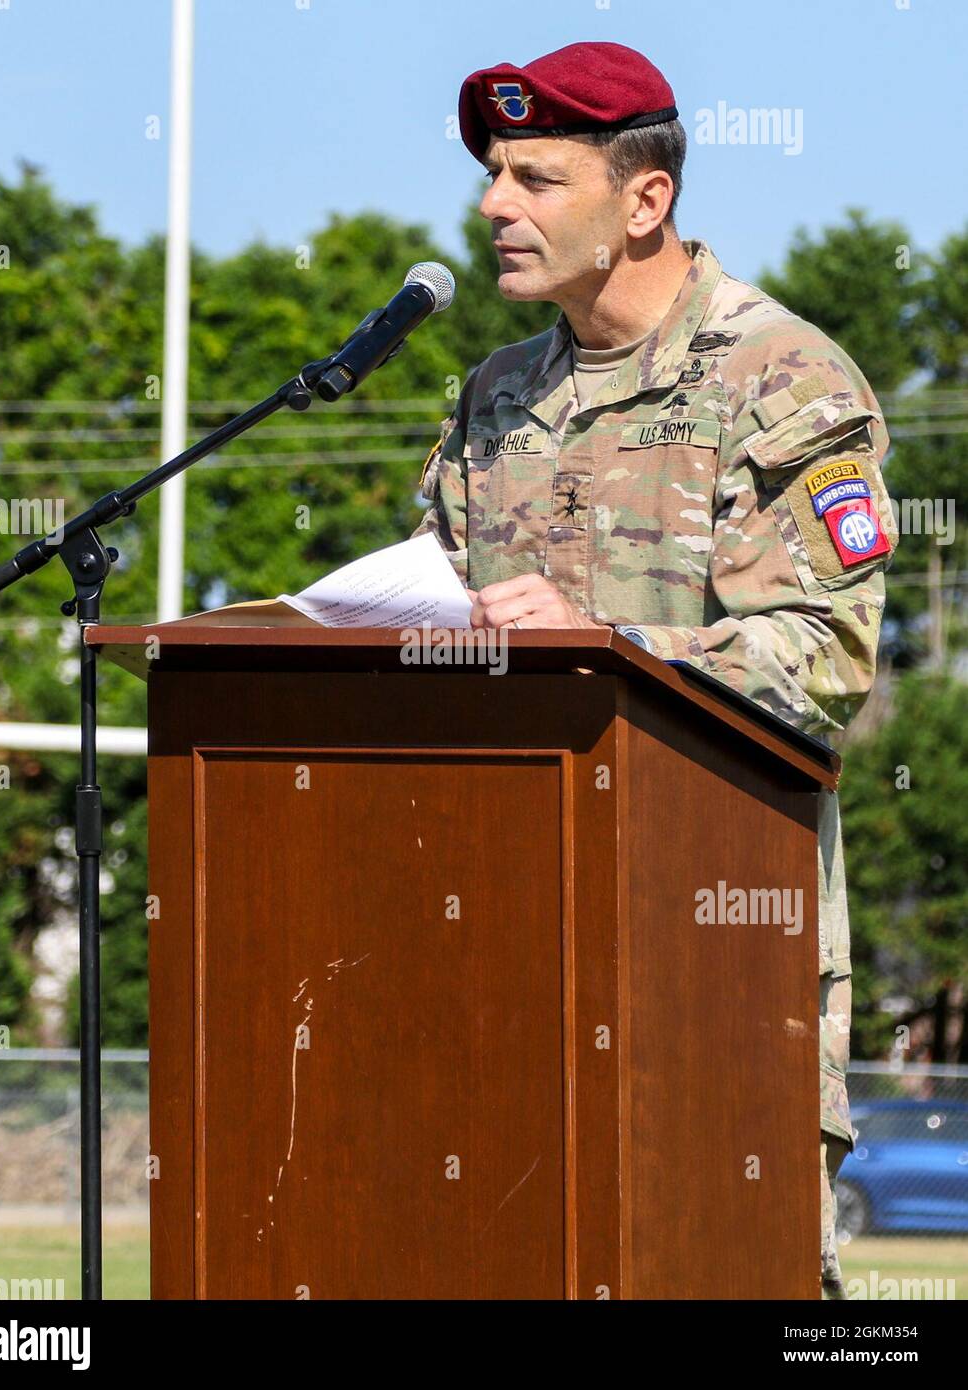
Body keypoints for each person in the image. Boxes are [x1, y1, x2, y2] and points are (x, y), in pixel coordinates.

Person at [409, 40, 898, 1298]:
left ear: (644, 201)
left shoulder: (777, 376)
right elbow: (424, 608)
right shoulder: (494, 398)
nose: (492, 208)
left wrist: (606, 640)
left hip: (715, 949)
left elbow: (826, 656)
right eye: (491, 175)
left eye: (534, 178)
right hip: (498, 951)